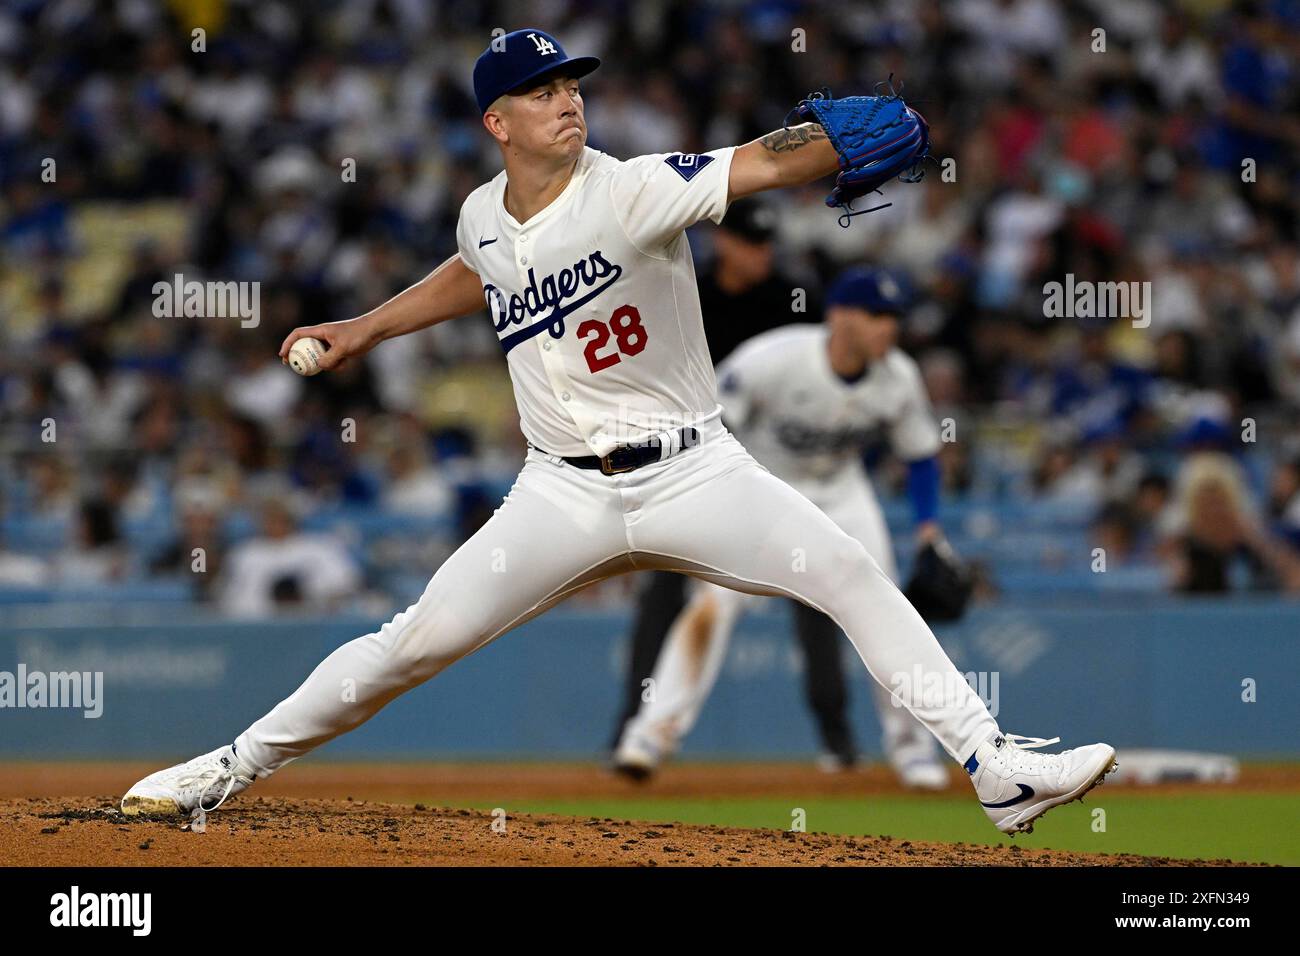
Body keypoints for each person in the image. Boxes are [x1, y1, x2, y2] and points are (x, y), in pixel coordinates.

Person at [122, 28, 1115, 836]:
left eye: (572, 83)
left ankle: (995, 767)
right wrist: (363, 326)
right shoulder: (480, 214)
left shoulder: (634, 186)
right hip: (559, 491)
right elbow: (478, 268)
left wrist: (842, 138)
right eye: (543, 88)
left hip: (695, 470)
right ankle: (228, 766)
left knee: (852, 570)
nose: (568, 98)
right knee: (408, 644)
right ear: (496, 120)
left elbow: (755, 164)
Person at [612, 267, 952, 789]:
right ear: (839, 317)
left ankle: (913, 751)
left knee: (885, 609)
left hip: (843, 493)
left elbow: (921, 455)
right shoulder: (773, 359)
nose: (890, 327)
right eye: (877, 315)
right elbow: (704, 420)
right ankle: (649, 736)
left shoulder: (899, 376)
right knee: (710, 607)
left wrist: (929, 530)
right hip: (761, 490)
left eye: (895, 317)